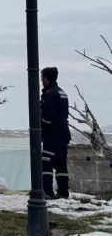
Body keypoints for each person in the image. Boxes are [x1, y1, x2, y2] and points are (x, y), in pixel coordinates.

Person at [40, 66, 71, 199]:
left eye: (42, 78)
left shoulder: (50, 94)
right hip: (63, 133)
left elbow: (48, 117)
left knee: (45, 163)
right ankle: (63, 192)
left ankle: (47, 192)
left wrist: (40, 126)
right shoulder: (61, 92)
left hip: (53, 135)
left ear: (46, 79)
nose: (41, 80)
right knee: (60, 164)